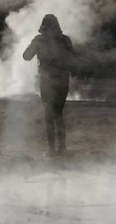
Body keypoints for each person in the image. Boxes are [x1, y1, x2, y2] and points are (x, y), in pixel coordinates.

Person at [23, 14, 76, 156]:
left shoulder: (39, 40)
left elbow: (26, 56)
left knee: (48, 115)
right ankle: (62, 147)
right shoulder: (65, 40)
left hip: (46, 80)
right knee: (59, 114)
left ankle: (51, 149)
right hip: (63, 80)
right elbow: (73, 60)